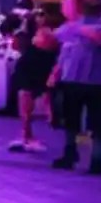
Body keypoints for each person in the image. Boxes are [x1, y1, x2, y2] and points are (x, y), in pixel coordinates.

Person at [50, 0, 101, 174]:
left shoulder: (71, 28)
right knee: (95, 122)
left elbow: (51, 41)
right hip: (97, 81)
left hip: (80, 80)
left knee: (75, 120)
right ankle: (93, 161)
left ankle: (74, 156)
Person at [8, 11, 60, 153]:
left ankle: (33, 131)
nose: (40, 18)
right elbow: (16, 46)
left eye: (42, 15)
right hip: (28, 69)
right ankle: (26, 135)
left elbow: (49, 48)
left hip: (40, 69)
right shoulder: (29, 33)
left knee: (42, 99)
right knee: (26, 102)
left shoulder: (50, 34)